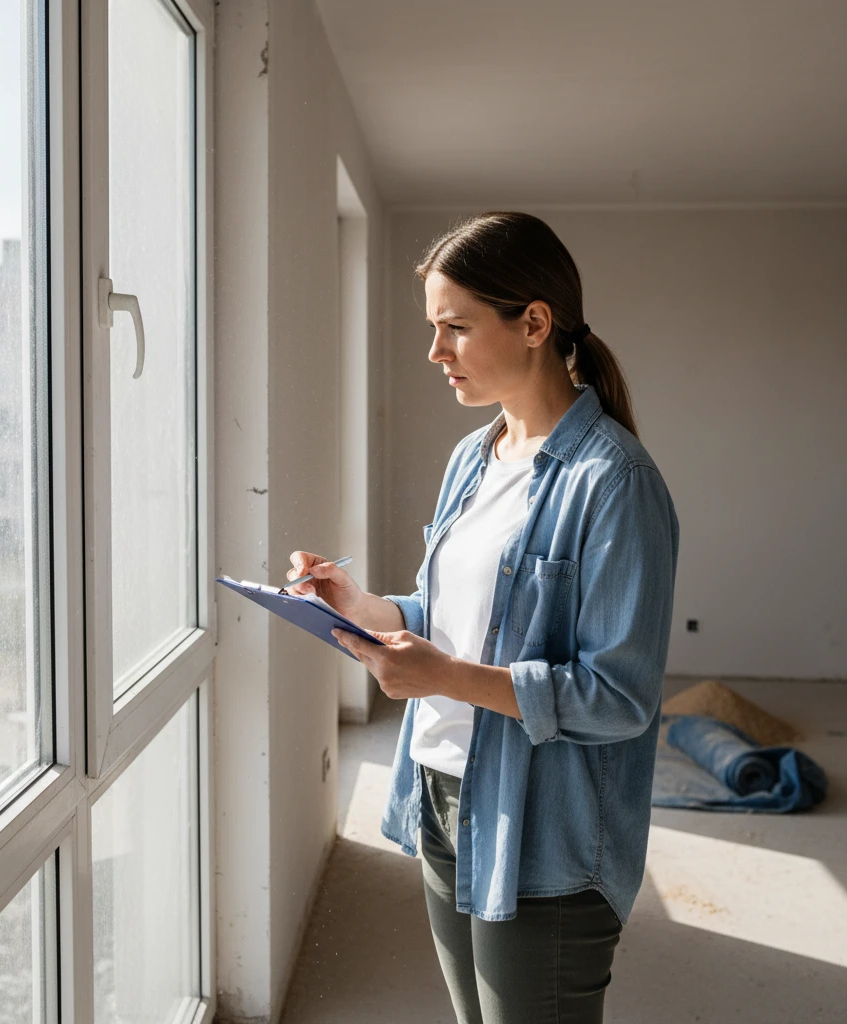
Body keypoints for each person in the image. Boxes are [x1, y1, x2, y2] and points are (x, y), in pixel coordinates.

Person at [287, 211, 679, 1024]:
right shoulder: (472, 458)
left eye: (455, 328)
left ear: (534, 322)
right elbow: (457, 618)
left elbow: (619, 698)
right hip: (442, 790)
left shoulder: (615, 483)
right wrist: (357, 606)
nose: (435, 353)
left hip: (546, 831)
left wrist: (443, 677)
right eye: (434, 329)